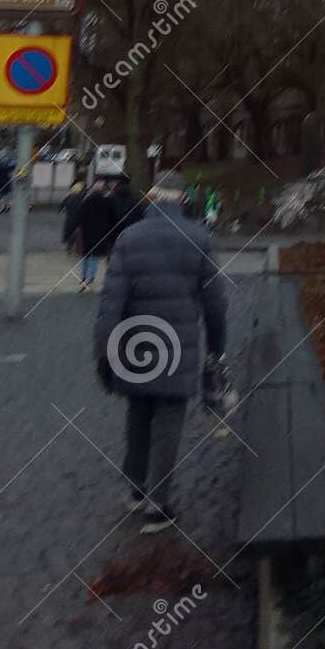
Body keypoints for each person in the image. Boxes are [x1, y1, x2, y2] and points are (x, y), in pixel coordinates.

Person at [94, 169, 227, 534]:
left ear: (151, 198)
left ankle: (136, 490)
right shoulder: (198, 237)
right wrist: (216, 350)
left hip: (135, 345)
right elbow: (216, 303)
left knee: (138, 414)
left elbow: (111, 304)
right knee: (168, 422)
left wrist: (104, 352)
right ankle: (158, 505)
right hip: (178, 346)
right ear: (182, 199)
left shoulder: (128, 237)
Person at [72, 178, 118, 290]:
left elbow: (79, 216)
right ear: (103, 190)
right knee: (95, 255)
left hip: (87, 231)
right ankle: (90, 277)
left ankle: (83, 276)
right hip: (100, 232)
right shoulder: (107, 201)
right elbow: (112, 217)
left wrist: (74, 227)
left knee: (85, 255)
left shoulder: (87, 201)